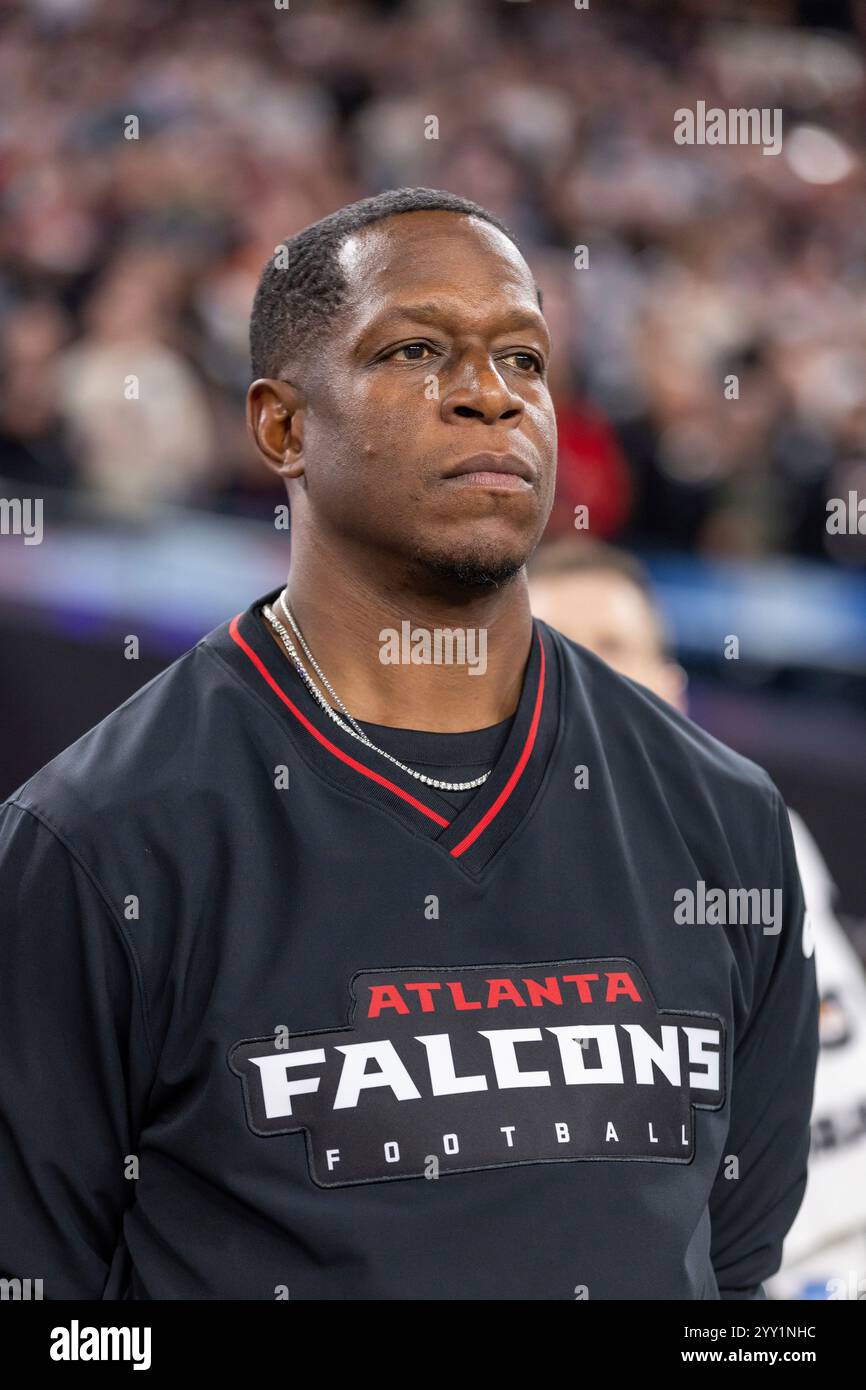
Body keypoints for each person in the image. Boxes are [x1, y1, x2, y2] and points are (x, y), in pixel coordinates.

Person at [0, 188, 818, 1300]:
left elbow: (727, 1262)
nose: (488, 395)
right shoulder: (95, 842)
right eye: (416, 348)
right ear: (281, 426)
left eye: (524, 359)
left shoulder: (722, 816)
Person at [529, 535, 866, 1301]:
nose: (594, 678)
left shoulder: (754, 831)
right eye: (563, 653)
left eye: (615, 646)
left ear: (672, 685)